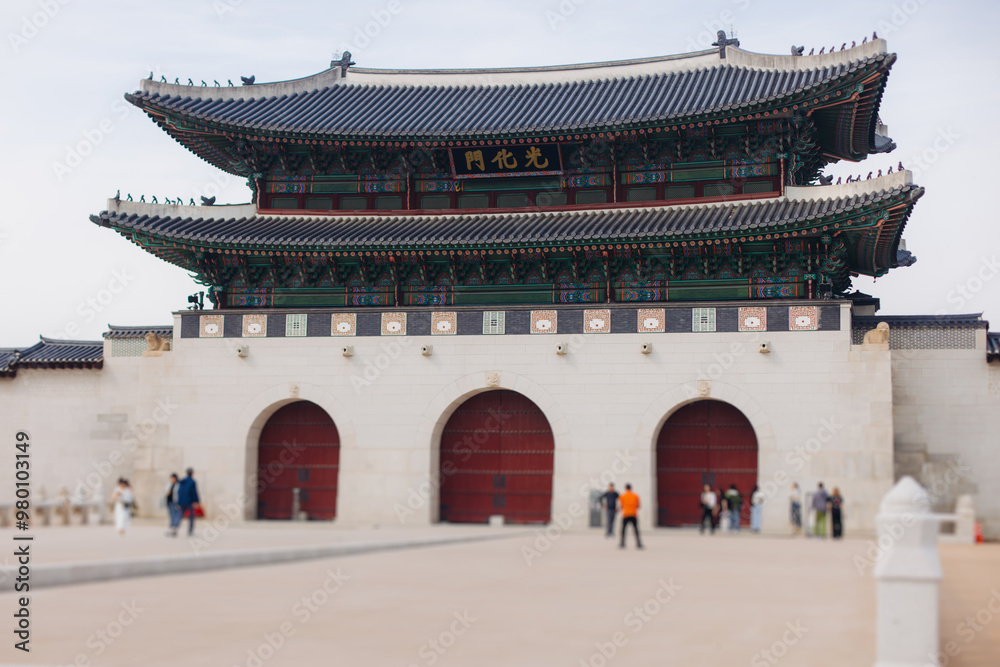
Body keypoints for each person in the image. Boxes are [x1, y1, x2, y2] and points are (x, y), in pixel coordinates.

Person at [177, 468, 201, 536]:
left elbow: (179, 491)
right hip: (189, 501)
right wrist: (197, 501)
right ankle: (190, 531)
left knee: (179, 515)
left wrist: (179, 500)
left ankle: (175, 528)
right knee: (191, 516)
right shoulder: (192, 482)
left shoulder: (182, 481)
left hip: (181, 501)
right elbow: (194, 492)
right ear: (192, 473)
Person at [619, 483, 643, 549]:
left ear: (625, 488)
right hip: (633, 514)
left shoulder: (622, 496)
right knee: (636, 530)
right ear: (631, 488)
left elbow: (621, 506)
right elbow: (638, 505)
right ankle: (639, 544)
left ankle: (622, 543)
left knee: (623, 530)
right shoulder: (636, 495)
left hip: (626, 514)